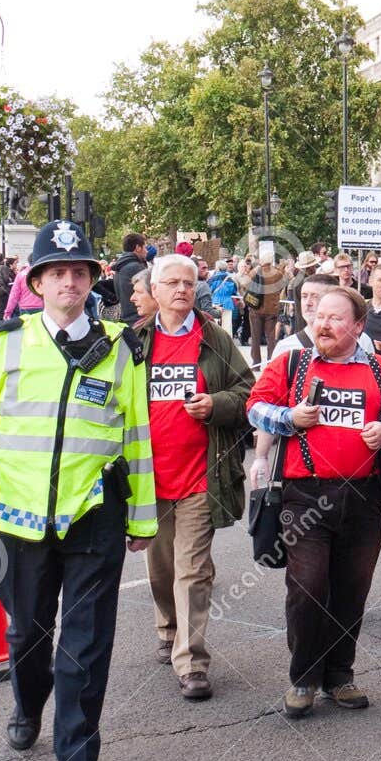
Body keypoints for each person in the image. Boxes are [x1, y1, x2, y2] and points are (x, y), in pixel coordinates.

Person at [0, 220, 156, 761]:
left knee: (87, 643)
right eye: (57, 272)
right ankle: (28, 700)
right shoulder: (8, 343)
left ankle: (77, 757)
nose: (69, 282)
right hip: (18, 519)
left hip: (93, 516)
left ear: (91, 280)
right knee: (28, 635)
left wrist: (142, 520)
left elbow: (136, 437)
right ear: (38, 280)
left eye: (79, 272)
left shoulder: (120, 349)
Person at [247, 286, 381, 719]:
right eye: (318, 316)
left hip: (364, 497)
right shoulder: (292, 363)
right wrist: (288, 417)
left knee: (352, 590)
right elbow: (254, 407)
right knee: (308, 586)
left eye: (336, 318)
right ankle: (303, 677)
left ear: (357, 326)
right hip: (304, 495)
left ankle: (340, 675)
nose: (323, 324)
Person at [133, 255, 253, 700]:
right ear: (155, 290)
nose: (182, 289)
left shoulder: (216, 339)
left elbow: (247, 392)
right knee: (161, 569)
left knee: (194, 569)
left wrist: (216, 404)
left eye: (189, 282)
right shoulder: (135, 342)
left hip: (203, 474)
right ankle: (168, 627)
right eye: (172, 283)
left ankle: (192, 662)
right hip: (149, 478)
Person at [245, 254, 286, 366]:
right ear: (271, 261)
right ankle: (270, 362)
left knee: (255, 337)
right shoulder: (277, 273)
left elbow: (245, 285)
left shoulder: (255, 272)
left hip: (256, 309)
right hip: (271, 309)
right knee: (271, 338)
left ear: (261, 261)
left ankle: (256, 363)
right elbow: (282, 286)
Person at [111, 233, 150, 325]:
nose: (147, 251)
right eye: (145, 247)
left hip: (128, 319)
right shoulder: (136, 268)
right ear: (138, 247)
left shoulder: (120, 268)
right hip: (139, 320)